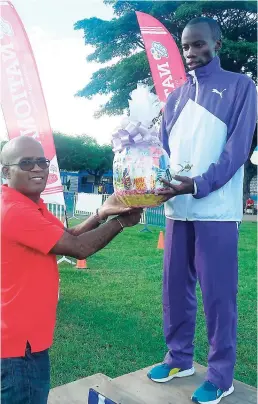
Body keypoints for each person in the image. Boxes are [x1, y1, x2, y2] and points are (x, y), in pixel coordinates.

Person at [147, 17, 257, 404]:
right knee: (175, 290)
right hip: (178, 210)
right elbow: (162, 152)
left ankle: (222, 375)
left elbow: (238, 149)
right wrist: (155, 182)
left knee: (218, 295)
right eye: (186, 47)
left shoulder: (242, 87)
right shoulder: (174, 98)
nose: (192, 53)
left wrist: (199, 184)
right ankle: (179, 358)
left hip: (217, 211)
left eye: (199, 44)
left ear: (218, 43)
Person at [1, 135, 142, 404]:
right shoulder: (15, 210)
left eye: (42, 162)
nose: (38, 169)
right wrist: (120, 223)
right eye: (27, 163)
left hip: (27, 338)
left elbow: (67, 234)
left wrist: (102, 213)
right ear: (6, 171)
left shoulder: (31, 206)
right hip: (21, 345)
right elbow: (78, 248)